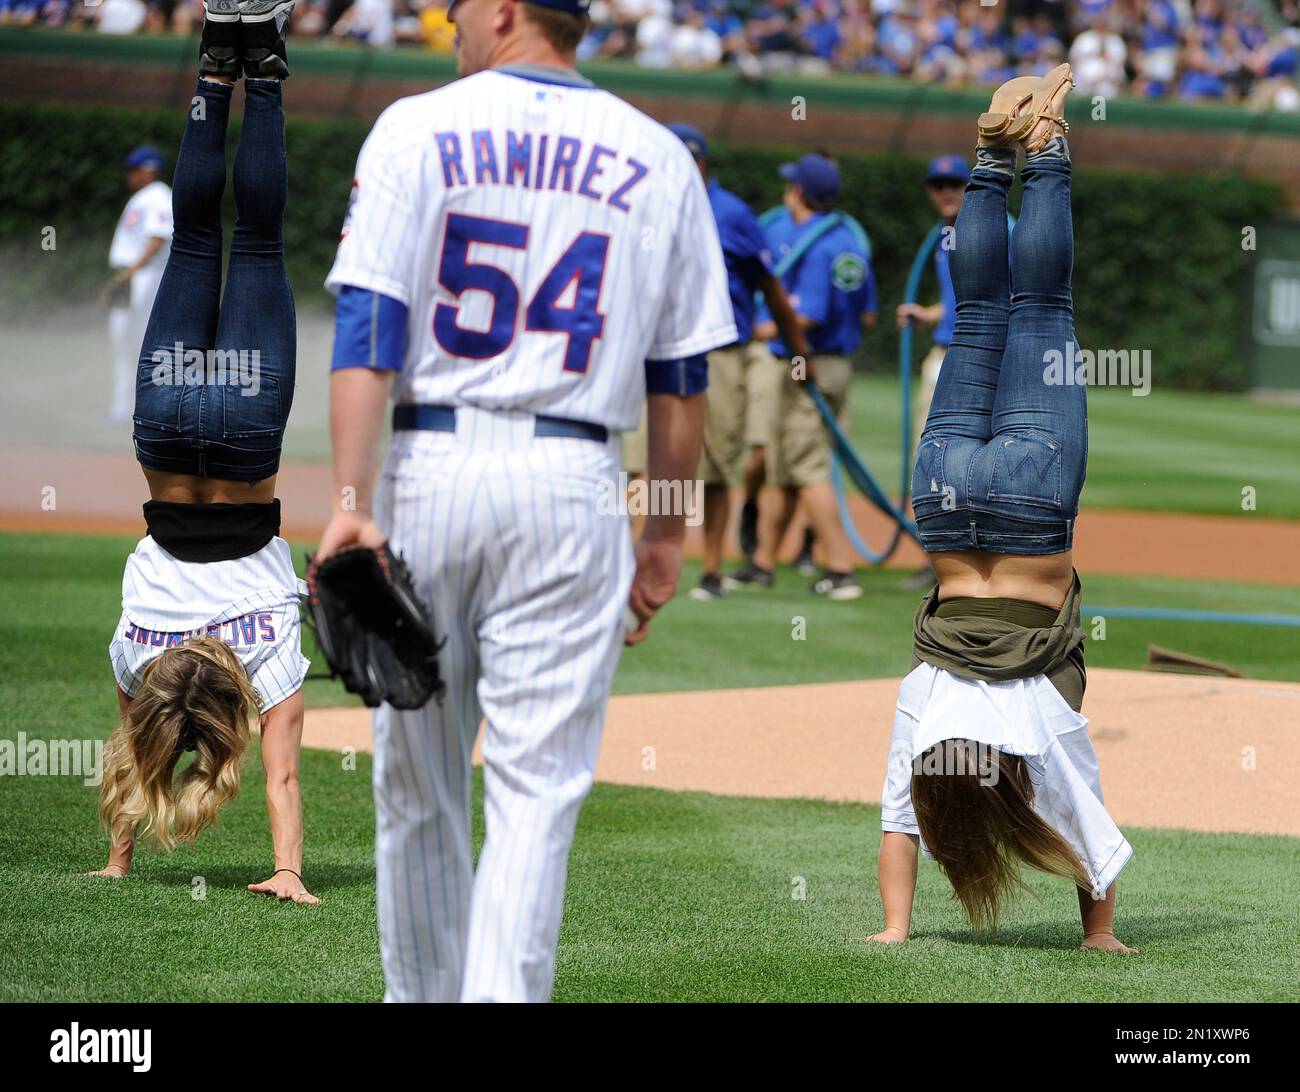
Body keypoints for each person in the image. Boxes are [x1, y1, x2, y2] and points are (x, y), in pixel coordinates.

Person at [315, 0, 735, 1002]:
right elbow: (681, 383)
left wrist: (347, 499)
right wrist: (665, 533)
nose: (449, 20)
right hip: (572, 477)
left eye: (457, 7)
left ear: (503, 10)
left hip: (427, 469)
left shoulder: (416, 125)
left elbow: (369, 327)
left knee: (419, 785)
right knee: (537, 795)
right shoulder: (658, 156)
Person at [868, 64, 1136, 954]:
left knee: (1042, 307)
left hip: (1028, 506)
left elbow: (1093, 833)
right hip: (944, 504)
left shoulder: (1036, 732)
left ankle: (1047, 145)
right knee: (981, 314)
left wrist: (1100, 936)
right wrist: (893, 927)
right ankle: (990, 155)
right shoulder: (926, 711)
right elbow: (898, 827)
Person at [90, 2, 316, 905]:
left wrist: (290, 869)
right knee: (196, 240)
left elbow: (285, 779)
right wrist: (115, 855)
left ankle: (259, 71)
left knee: (254, 240)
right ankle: (215, 65)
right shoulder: (136, 661)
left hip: (248, 427)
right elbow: (133, 756)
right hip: (166, 425)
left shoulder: (268, 661)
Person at [660, 123, 808, 603]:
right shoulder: (648, 201)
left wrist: (798, 349)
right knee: (647, 462)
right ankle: (642, 557)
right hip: (659, 345)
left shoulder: (732, 213)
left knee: (718, 461)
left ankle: (711, 568)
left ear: (701, 164)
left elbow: (770, 288)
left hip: (720, 350)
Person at [728, 153, 876, 601]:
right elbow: (865, 315)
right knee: (790, 468)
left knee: (808, 469)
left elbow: (807, 313)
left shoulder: (816, 246)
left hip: (804, 364)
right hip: (835, 364)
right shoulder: (848, 242)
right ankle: (763, 561)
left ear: (799, 193)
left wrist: (758, 328)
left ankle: (839, 567)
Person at [897, 154, 965, 592]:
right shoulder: (946, 237)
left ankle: (958, 562)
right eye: (937, 184)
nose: (944, 191)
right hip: (943, 355)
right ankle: (937, 559)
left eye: (954, 183)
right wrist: (929, 314)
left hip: (974, 359)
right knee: (931, 460)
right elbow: (960, 299)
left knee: (959, 461)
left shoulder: (1004, 231)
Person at [105, 146, 173, 425]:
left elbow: (157, 239)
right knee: (121, 341)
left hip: (143, 277)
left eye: (134, 169)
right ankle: (123, 408)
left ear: (148, 170)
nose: (129, 174)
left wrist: (129, 274)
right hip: (130, 276)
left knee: (138, 342)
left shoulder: (159, 197)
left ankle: (142, 409)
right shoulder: (143, 197)